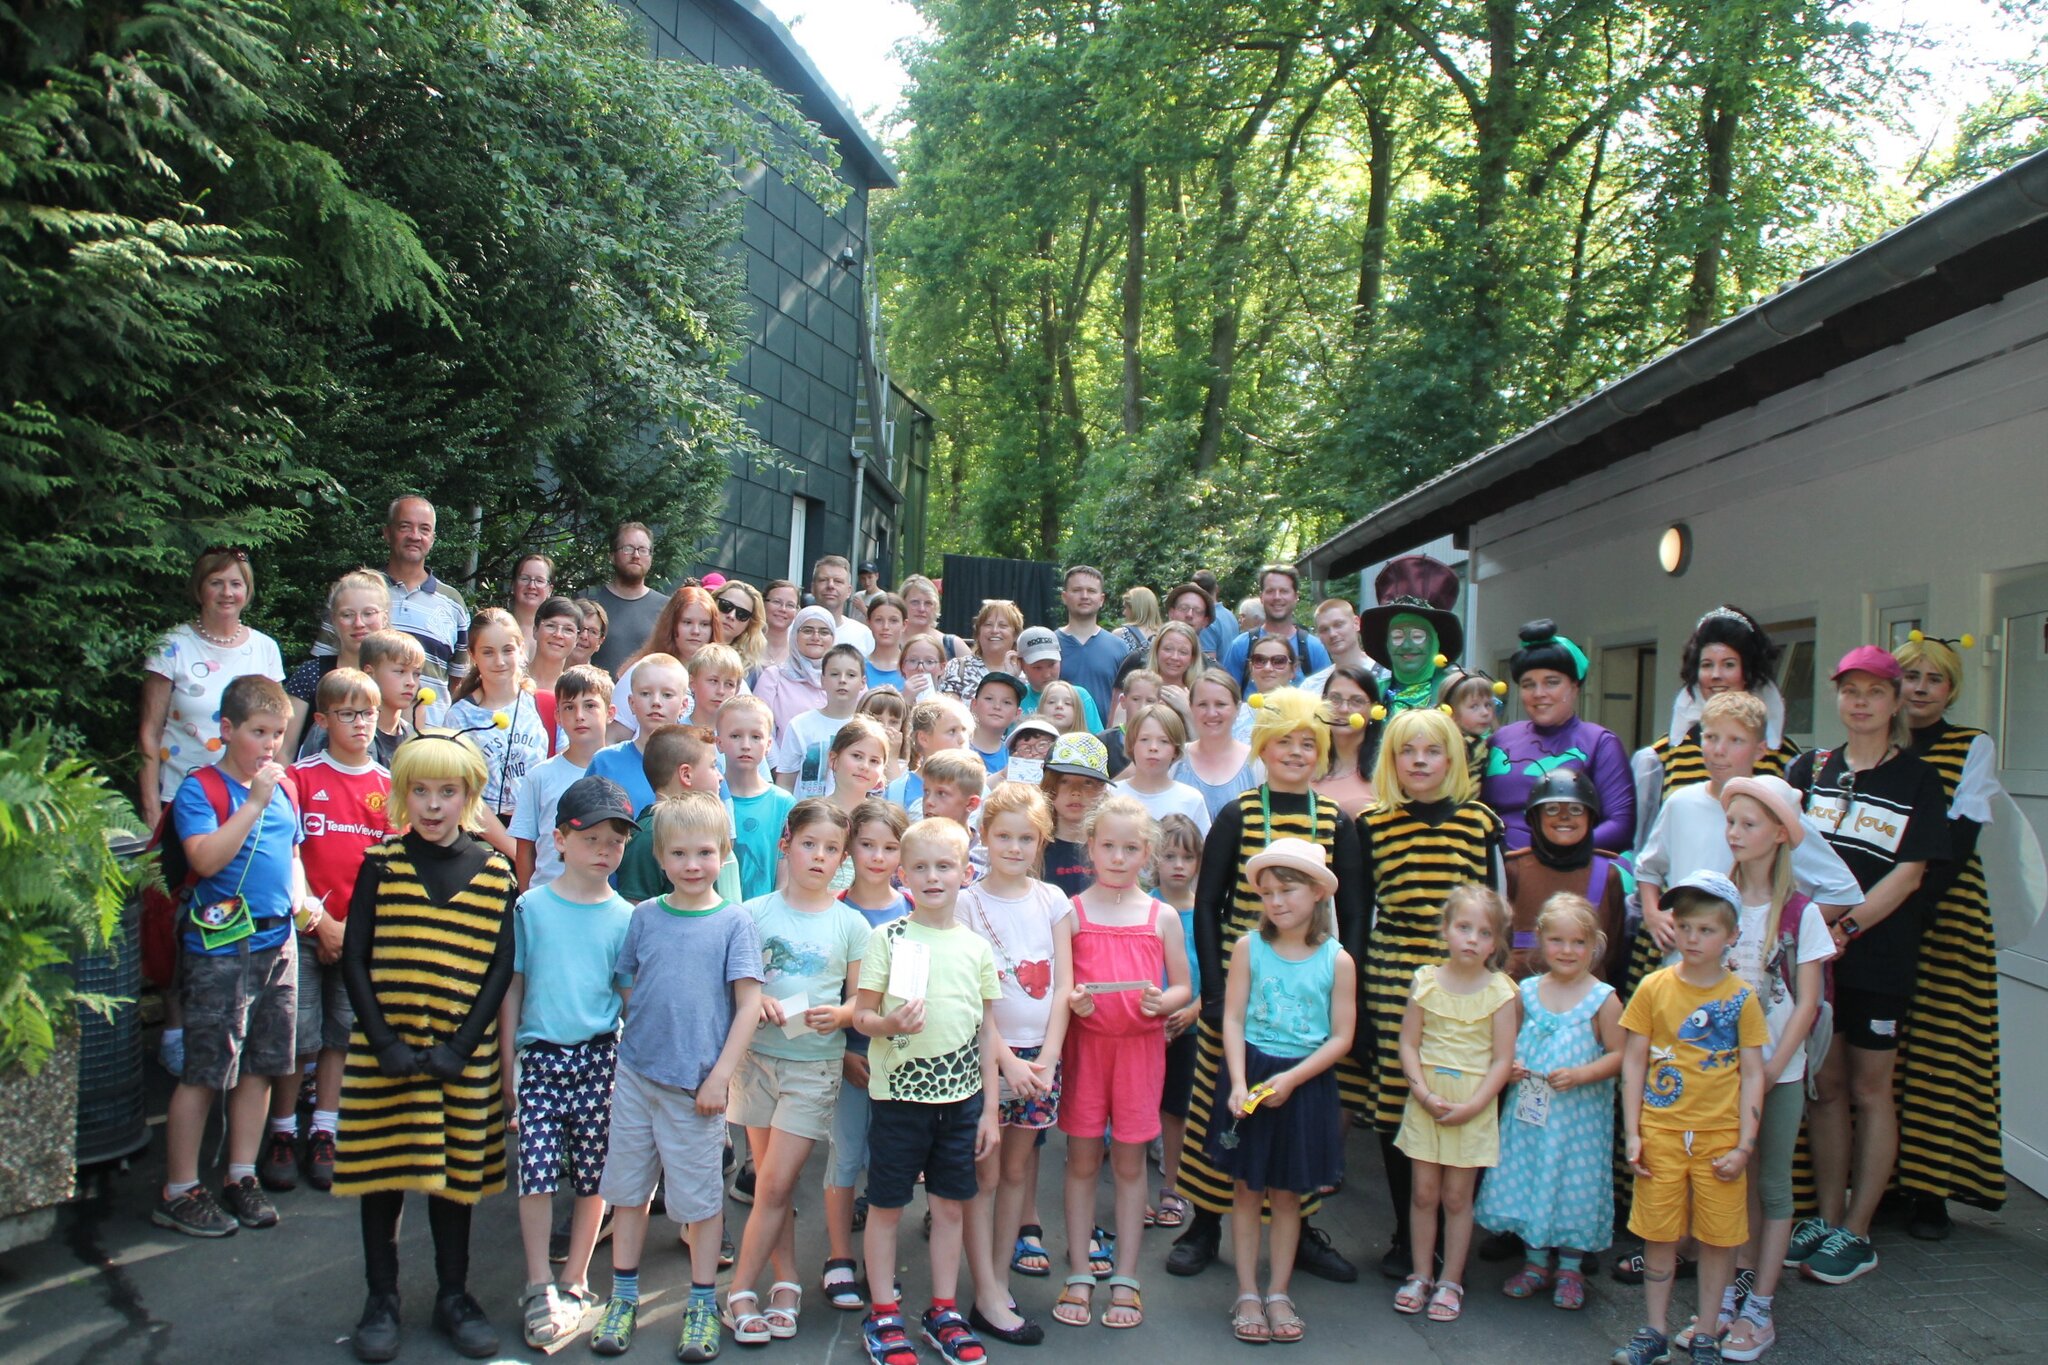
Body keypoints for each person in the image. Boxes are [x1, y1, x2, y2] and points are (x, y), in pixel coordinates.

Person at [1170, 688, 1366, 1284]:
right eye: (1286, 741)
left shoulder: (1336, 819)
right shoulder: (1238, 812)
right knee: (1219, 1107)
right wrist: (1211, 988)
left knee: (1296, 1116)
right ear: (1264, 747)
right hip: (1242, 978)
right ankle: (1205, 1222)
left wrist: (1341, 989)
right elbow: (1207, 904)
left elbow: (1355, 910)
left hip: (1308, 984)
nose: (1297, 752)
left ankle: (1299, 1229)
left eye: (1310, 743)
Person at [334, 735, 518, 1362]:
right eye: (421, 791)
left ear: (469, 797)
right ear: (401, 794)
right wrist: (382, 1040)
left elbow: (499, 968)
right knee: (380, 1175)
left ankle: (453, 1295)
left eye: (448, 792)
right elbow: (354, 957)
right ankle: (380, 1298)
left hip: (459, 1060)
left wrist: (464, 1047)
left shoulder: (496, 872)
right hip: (384, 1055)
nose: (434, 805)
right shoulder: (381, 863)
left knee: (454, 1178)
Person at [1783, 646, 1948, 1287]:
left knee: (1871, 1090)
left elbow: (1910, 875)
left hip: (1876, 955)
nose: (1862, 702)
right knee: (1825, 1088)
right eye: (1850, 690)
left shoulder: (1918, 779)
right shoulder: (1810, 769)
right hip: (1811, 961)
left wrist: (1844, 926)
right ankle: (1825, 1220)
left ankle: (1858, 1230)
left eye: (1875, 692)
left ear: (1894, 700)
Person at [591, 792, 764, 1361]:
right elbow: (627, 981)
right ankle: (622, 1294)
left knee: (700, 1201)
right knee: (629, 1191)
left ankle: (698, 1301)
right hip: (638, 1077)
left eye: (706, 852)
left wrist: (719, 1077)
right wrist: (647, 1031)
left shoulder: (735, 922)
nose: (694, 865)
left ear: (724, 854)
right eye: (681, 854)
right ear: (661, 858)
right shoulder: (644, 916)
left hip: (698, 1091)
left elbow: (747, 1006)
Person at [153, 675, 312, 1239]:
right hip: (221, 946)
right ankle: (179, 1187)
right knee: (207, 1069)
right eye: (258, 733)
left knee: (265, 1063)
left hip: (277, 940)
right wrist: (253, 802)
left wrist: (301, 899)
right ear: (226, 730)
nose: (270, 746)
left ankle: (240, 1174)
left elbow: (293, 854)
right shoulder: (203, 790)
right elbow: (206, 858)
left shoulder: (287, 787)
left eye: (277, 734)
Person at [1358, 706, 1506, 1281]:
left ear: (1454, 759)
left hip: (1467, 979)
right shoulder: (1374, 823)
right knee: (1404, 1105)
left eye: (1433, 751)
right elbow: (1361, 912)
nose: (1420, 761)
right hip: (1394, 977)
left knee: (1467, 1099)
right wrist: (1361, 1010)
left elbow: (1496, 905)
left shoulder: (1480, 821)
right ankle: (1407, 1233)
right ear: (1392, 760)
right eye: (1407, 751)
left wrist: (1497, 981)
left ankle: (1454, 1234)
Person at [852, 818, 1004, 1365]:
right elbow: (862, 1014)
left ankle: (943, 1309)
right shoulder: (886, 938)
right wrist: (888, 1025)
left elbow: (987, 1030)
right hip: (897, 1098)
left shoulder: (976, 948)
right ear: (902, 874)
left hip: (960, 1102)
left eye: (945, 866)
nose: (933, 877)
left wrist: (989, 1108)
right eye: (920, 867)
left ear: (966, 873)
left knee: (950, 1208)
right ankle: (884, 1312)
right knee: (888, 1206)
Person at [727, 800, 871, 1348]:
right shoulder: (755, 913)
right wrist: (756, 996)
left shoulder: (851, 924)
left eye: (832, 849)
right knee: (769, 1185)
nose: (820, 856)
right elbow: (737, 980)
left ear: (843, 860)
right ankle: (783, 1282)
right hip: (758, 1059)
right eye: (810, 843)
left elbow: (861, 998)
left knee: (779, 1181)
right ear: (786, 842)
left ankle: (739, 1290)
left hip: (814, 1066)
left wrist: (840, 1014)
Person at [501, 775, 637, 1349]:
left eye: (617, 840)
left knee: (593, 1173)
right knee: (534, 1173)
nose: (605, 850)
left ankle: (576, 1278)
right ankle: (539, 1282)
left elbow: (630, 996)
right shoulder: (531, 907)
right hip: (540, 1057)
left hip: (601, 1058)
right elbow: (515, 986)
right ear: (560, 840)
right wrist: (508, 1060)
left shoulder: (627, 916)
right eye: (592, 838)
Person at [1612, 871, 1767, 1365]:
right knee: (1658, 1234)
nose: (1693, 939)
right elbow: (1633, 1061)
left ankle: (1705, 1332)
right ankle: (1654, 1331)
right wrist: (1632, 1131)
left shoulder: (1742, 997)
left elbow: (1752, 1073)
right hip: (1660, 1131)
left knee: (1718, 1239)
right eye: (1685, 927)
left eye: (1707, 930)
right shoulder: (1654, 988)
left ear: (1731, 936)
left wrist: (1745, 1144)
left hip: (1720, 1137)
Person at [1892, 631, 2016, 1239]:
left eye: (1932, 679)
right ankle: (1883, 1181)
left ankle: (1929, 1191)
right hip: (1883, 910)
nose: (1919, 689)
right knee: (1885, 1055)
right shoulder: (1880, 743)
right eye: (1911, 677)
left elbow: (1961, 837)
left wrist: (1914, 906)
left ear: (1950, 689)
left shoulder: (1972, 745)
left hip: (1947, 912)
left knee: (1940, 1050)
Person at [1051, 796, 1190, 1332]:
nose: (1117, 856)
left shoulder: (1162, 915)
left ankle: (1127, 1275)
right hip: (1086, 1051)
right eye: (1107, 846)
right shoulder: (1073, 912)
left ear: (1147, 853)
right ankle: (1082, 1269)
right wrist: (1076, 1003)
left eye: (1130, 848)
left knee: (1131, 1167)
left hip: (1140, 1054)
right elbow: (1064, 988)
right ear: (1090, 847)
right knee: (1082, 1162)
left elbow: (1181, 985)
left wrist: (1166, 1002)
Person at [1211, 838, 1356, 1345]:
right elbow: (1232, 1016)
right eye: (1267, 892)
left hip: (1305, 1081)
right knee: (1247, 1190)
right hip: (1250, 1071)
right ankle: (1247, 1290)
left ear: (1317, 892)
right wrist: (1236, 1081)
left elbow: (1341, 1036)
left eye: (1288, 890)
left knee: (1288, 1195)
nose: (1276, 902)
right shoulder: (1251, 947)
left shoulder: (1338, 961)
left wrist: (1293, 1079)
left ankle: (1279, 1291)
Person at [1715, 775, 1834, 1360]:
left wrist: (1771, 1068)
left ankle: (1760, 1305)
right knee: (1731, 1180)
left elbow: (1807, 1003)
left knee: (1772, 1183)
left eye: (1748, 823)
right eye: (1731, 822)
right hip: (1721, 1073)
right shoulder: (1719, 901)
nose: (1734, 833)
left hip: (1777, 1073)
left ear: (1781, 835)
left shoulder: (1801, 912)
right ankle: (1733, 1285)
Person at [1632, 692, 1860, 988]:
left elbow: (1841, 889)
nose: (1719, 750)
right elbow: (1649, 868)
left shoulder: (1774, 811)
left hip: (1749, 974)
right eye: (1711, 737)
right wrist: (1652, 913)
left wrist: (1780, 925)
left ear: (1760, 749)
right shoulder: (1680, 803)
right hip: (1682, 968)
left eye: (1736, 740)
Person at [957, 782, 1072, 1344]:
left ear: (1042, 841)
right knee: (985, 1174)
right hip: (989, 1059)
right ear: (984, 837)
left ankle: (999, 1278)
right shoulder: (965, 903)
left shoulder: (1053, 901)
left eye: (1026, 838)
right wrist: (1006, 1061)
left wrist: (1047, 1060)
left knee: (1018, 1173)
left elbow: (1065, 982)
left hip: (1040, 1062)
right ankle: (982, 1287)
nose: (1014, 847)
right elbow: (972, 997)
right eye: (1003, 836)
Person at [1473, 894, 1622, 1312]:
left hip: (1578, 1122)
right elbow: (1505, 1042)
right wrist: (1512, 1066)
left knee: (1571, 1186)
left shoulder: (1603, 998)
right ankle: (1536, 1262)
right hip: (1531, 1116)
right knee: (1531, 1177)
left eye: (1578, 942)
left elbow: (1620, 1055)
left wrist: (1582, 1074)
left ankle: (1571, 1267)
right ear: (1540, 940)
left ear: (1593, 944)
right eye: (1557, 941)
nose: (1568, 951)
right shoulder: (1529, 991)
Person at [279, 669, 392, 1195]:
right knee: (295, 1040)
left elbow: (391, 868)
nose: (360, 724)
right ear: (321, 720)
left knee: (340, 1038)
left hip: (358, 938)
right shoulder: (298, 778)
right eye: (347, 714)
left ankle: (325, 1129)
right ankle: (282, 1132)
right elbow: (289, 856)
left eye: (367, 713)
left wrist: (350, 931)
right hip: (304, 931)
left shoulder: (388, 788)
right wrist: (317, 922)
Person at [1391, 886, 1517, 1324]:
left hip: (1472, 1107)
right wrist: (1422, 1092)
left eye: (1484, 933)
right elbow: (1408, 1042)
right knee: (1424, 1193)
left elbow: (1503, 1059)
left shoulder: (1501, 991)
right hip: (1427, 1100)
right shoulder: (1426, 981)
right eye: (1464, 927)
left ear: (1496, 942)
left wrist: (1477, 1105)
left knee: (1457, 1197)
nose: (1472, 939)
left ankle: (1451, 1279)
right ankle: (1421, 1273)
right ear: (1445, 930)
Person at [823, 801, 912, 1311]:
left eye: (890, 847)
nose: (877, 857)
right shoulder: (836, 910)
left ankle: (880, 1263)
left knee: (889, 1162)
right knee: (846, 1155)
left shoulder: (911, 909)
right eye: (867, 845)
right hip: (851, 1062)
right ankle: (838, 1257)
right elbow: (833, 995)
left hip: (898, 1064)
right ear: (850, 847)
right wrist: (841, 1054)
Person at [140, 547, 288, 827]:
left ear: (248, 590)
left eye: (236, 584)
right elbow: (149, 732)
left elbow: (278, 730)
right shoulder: (171, 646)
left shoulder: (265, 649)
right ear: (199, 589)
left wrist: (277, 797)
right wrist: (150, 813)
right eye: (216, 583)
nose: (227, 593)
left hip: (249, 798)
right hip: (180, 798)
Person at [1632, 607, 1801, 848]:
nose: (1716, 675)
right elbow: (1645, 850)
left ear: (1748, 672)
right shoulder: (1660, 758)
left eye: (1729, 664)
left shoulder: (1785, 758)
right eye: (1707, 665)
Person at [314, 496, 471, 727]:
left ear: (433, 539)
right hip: (357, 729)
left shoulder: (453, 602)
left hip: (427, 741)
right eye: (405, 526)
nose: (415, 536)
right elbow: (325, 662)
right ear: (387, 533)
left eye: (424, 529)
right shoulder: (358, 592)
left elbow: (457, 679)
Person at [1482, 620, 1634, 853]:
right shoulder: (1500, 738)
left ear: (1574, 687)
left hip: (1566, 877)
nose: (1539, 693)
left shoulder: (1600, 742)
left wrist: (1558, 852)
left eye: (1551, 682)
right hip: (1493, 874)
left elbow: (1620, 826)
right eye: (1528, 684)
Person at [1504, 771, 1630, 983]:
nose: (1564, 817)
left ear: (1590, 818)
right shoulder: (1514, 869)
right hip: (1519, 999)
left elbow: (1614, 951)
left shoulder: (1608, 875)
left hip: (1585, 1000)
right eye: (1552, 809)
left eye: (1576, 809)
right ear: (1535, 818)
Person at [446, 608, 551, 855]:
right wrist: (516, 852)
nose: (500, 661)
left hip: (540, 834)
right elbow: (461, 791)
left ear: (522, 649)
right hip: (480, 840)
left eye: (507, 650)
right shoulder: (459, 716)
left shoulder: (545, 706)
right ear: (473, 656)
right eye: (488, 652)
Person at [509, 666, 615, 891]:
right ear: (557, 716)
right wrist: (526, 901)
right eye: (569, 707)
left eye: (590, 706)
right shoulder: (540, 776)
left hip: (605, 899)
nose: (579, 716)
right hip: (547, 896)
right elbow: (525, 847)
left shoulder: (620, 770)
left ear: (611, 713)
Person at [615, 724, 738, 906]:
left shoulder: (709, 825)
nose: (720, 777)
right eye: (713, 766)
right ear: (686, 774)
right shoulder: (649, 836)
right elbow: (636, 914)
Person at [1151, 814, 1204, 1233]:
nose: (1178, 865)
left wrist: (1194, 1009)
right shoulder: (1144, 907)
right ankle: (1131, 1192)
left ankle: (1173, 1186)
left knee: (1176, 1110)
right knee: (1138, 1108)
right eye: (1169, 856)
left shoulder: (1206, 913)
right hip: (1147, 1024)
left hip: (1189, 1027)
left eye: (1187, 856)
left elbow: (1223, 973)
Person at [285, 569, 391, 758]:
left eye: (369, 613)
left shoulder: (398, 677)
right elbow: (284, 750)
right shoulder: (311, 675)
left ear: (385, 617)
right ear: (333, 620)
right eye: (347, 615)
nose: (358, 623)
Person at [1357, 555, 1463, 717]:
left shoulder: (1458, 691)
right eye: (1397, 637)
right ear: (1387, 644)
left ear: (1435, 642)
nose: (1406, 645)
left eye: (1417, 636)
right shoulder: (1370, 695)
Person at [716, 696, 797, 900]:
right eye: (735, 736)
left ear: (769, 744)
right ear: (719, 742)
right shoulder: (709, 800)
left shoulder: (783, 803)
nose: (745, 745)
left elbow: (785, 872)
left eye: (755, 737)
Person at [587, 653, 688, 814]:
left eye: (667, 695)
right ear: (631, 703)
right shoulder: (605, 762)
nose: (656, 702)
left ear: (683, 705)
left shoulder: (697, 764)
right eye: (645, 693)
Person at [614, 586, 719, 735]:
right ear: (672, 625)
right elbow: (614, 736)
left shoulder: (726, 678)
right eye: (687, 622)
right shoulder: (644, 670)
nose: (696, 631)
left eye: (704, 624)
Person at [771, 643, 866, 800]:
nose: (842, 680)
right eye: (834, 674)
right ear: (822, 680)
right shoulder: (800, 725)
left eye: (851, 675)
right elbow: (785, 784)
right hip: (808, 817)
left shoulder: (867, 729)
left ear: (862, 682)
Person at [1219, 566, 1330, 689]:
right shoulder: (1241, 645)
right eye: (1270, 591)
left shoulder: (1314, 648)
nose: (1277, 597)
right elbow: (1225, 696)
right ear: (1261, 597)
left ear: (1295, 597)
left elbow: (1327, 699)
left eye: (1284, 591)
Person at [1171, 673, 1260, 820]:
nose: (1211, 713)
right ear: (1191, 708)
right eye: (1202, 705)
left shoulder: (1256, 763)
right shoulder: (1175, 759)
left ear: (1237, 708)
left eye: (1220, 704)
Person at [1116, 703, 1211, 836]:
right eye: (1144, 739)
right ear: (1132, 745)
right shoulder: (1112, 795)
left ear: (1175, 750)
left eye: (1164, 741)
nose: (1153, 747)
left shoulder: (1192, 799)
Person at [1040, 733, 1112, 897]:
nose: (1075, 792)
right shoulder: (1034, 844)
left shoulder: (1111, 847)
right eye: (1064, 781)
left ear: (1102, 789)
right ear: (1049, 785)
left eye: (1087, 782)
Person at [1055, 566, 1130, 718]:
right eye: (1077, 590)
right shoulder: (1050, 644)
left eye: (1091, 591)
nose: (1084, 596)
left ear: (1101, 599)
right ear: (1064, 597)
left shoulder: (1119, 648)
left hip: (1105, 739)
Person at [591, 523, 665, 678]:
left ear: (651, 558)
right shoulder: (588, 601)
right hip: (595, 697)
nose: (636, 555)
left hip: (649, 699)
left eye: (643, 550)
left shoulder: (667, 608)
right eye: (628, 548)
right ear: (612, 555)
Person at [886, 695, 972, 819]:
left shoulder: (977, 789)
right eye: (952, 731)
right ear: (923, 738)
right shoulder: (898, 790)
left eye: (964, 730)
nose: (962, 739)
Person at [757, 605, 836, 737]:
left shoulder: (845, 677)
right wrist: (781, 758)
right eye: (807, 630)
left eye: (824, 632)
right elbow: (759, 727)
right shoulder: (774, 676)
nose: (816, 637)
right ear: (794, 635)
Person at [1313, 665, 1379, 817]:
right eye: (1335, 699)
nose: (1343, 709)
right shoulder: (1306, 760)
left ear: (1374, 709)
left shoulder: (1385, 766)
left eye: (1356, 701)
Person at [1017, 626, 1105, 730]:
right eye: (1037, 668)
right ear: (1021, 664)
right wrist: (1009, 676)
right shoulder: (1016, 699)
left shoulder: (1079, 696)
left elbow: (1097, 740)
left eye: (1052, 665)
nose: (1047, 674)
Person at [359, 630, 425, 766]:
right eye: (400, 671)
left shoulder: (413, 738)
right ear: (370, 673)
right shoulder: (342, 730)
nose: (411, 682)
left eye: (417, 674)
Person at [939, 600, 1025, 703]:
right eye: (988, 624)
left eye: (1003, 626)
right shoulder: (958, 667)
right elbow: (948, 710)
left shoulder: (1025, 672)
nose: (994, 630)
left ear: (1015, 635)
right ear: (978, 632)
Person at [1438, 666, 1506, 785]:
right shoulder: (1454, 746)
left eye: (1488, 704)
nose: (1485, 712)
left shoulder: (1482, 741)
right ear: (1450, 711)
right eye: (1474, 706)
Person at [1301, 597, 1381, 695]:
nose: (1332, 634)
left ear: (1356, 623)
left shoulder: (1385, 675)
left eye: (1338, 625)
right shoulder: (1311, 687)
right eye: (1324, 629)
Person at [966, 671, 1026, 778]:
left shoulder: (1015, 758)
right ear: (973, 705)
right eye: (989, 699)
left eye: (1006, 702)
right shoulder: (956, 747)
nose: (997, 706)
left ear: (1017, 713)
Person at [811, 555, 875, 654]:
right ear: (813, 588)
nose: (831, 585)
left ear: (849, 591)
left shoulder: (863, 635)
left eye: (838, 581)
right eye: (823, 580)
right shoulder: (794, 630)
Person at [901, 574, 968, 661]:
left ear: (936, 607)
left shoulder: (952, 645)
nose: (921, 609)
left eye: (928, 603)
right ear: (902, 604)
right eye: (915, 602)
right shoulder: (888, 642)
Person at [526, 595, 581, 698]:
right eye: (551, 626)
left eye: (568, 630)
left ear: (577, 639)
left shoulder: (575, 692)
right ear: (535, 630)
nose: (558, 634)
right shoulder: (511, 679)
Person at [682, 643, 745, 730]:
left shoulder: (741, 738)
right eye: (713, 681)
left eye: (729, 684)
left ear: (737, 690)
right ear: (692, 683)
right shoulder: (675, 733)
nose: (721, 691)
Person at [714, 580, 768, 678]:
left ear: (750, 624)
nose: (731, 616)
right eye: (725, 606)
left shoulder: (751, 671)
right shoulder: (688, 645)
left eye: (742, 614)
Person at [1163, 581, 1224, 666]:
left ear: (1205, 621)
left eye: (1197, 611)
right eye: (1183, 608)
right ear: (1171, 613)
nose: (1189, 615)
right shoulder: (1142, 661)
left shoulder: (1212, 670)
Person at [858, 686, 910, 784]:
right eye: (877, 720)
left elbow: (894, 795)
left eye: (894, 722)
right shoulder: (850, 755)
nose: (885, 727)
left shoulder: (901, 766)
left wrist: (891, 757)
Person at [507, 553, 556, 645]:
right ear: (513, 585)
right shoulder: (497, 627)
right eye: (525, 578)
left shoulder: (556, 635)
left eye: (539, 580)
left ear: (550, 590)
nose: (531, 586)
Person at [864, 593, 909, 690]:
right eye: (879, 620)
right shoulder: (858, 668)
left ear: (904, 625)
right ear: (869, 623)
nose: (885, 627)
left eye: (893, 621)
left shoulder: (914, 668)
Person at [757, 580, 803, 671]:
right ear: (763, 604)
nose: (783, 609)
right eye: (776, 602)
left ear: (797, 611)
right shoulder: (745, 646)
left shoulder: (799, 656)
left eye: (790, 605)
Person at [900, 631, 950, 704]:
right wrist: (905, 701)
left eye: (929, 662)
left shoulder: (950, 706)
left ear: (942, 667)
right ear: (903, 666)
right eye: (913, 661)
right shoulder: (891, 703)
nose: (920, 667)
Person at [571, 598, 607, 669]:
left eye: (593, 631)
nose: (584, 636)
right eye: (579, 627)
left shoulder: (599, 680)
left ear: (600, 642)